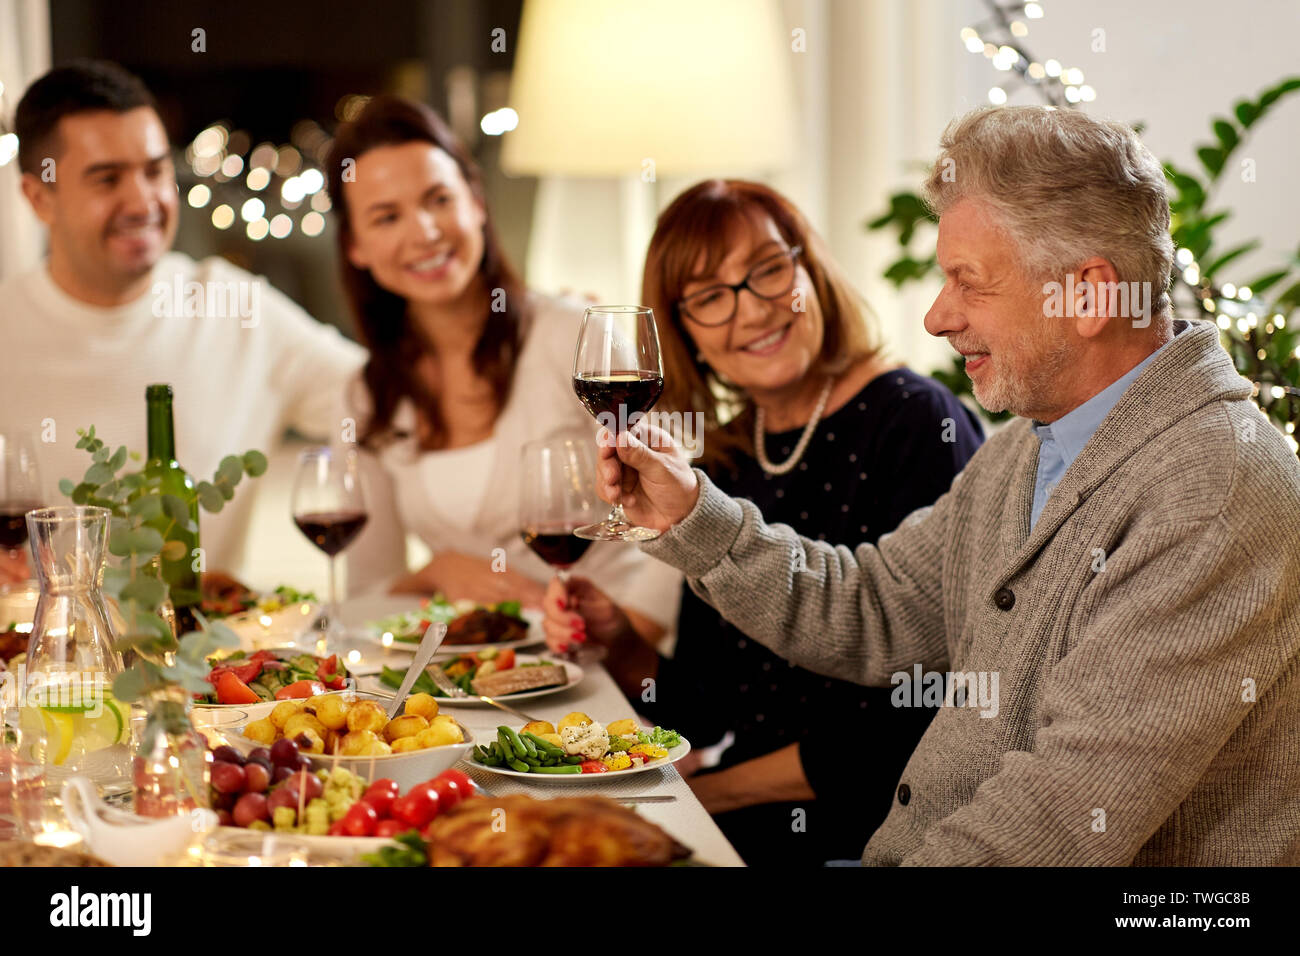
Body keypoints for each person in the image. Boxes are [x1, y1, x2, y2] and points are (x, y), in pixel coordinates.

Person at [586, 106, 1300, 865]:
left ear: (1091, 295)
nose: (936, 317)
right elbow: (871, 608)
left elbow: (1053, 820)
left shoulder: (1214, 493)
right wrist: (693, 514)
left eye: (968, 282)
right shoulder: (1025, 450)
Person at [541, 180, 984, 865]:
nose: (750, 310)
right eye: (711, 296)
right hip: (746, 812)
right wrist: (621, 645)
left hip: (873, 828)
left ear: (810, 269)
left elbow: (926, 710)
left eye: (769, 269)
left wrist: (711, 797)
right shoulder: (727, 454)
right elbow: (706, 710)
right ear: (684, 332)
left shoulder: (916, 420)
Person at [0, 61, 365, 583]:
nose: (142, 201)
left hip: (211, 657)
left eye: (154, 171)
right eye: (107, 179)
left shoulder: (233, 307)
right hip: (45, 659)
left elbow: (388, 403)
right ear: (40, 198)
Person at [330, 95, 678, 630]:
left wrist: (636, 641)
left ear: (476, 202)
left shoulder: (573, 334)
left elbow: (676, 498)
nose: (424, 231)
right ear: (355, 246)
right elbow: (366, 594)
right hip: (482, 679)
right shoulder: (366, 394)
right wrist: (438, 572)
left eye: (438, 199)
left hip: (611, 659)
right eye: (387, 216)